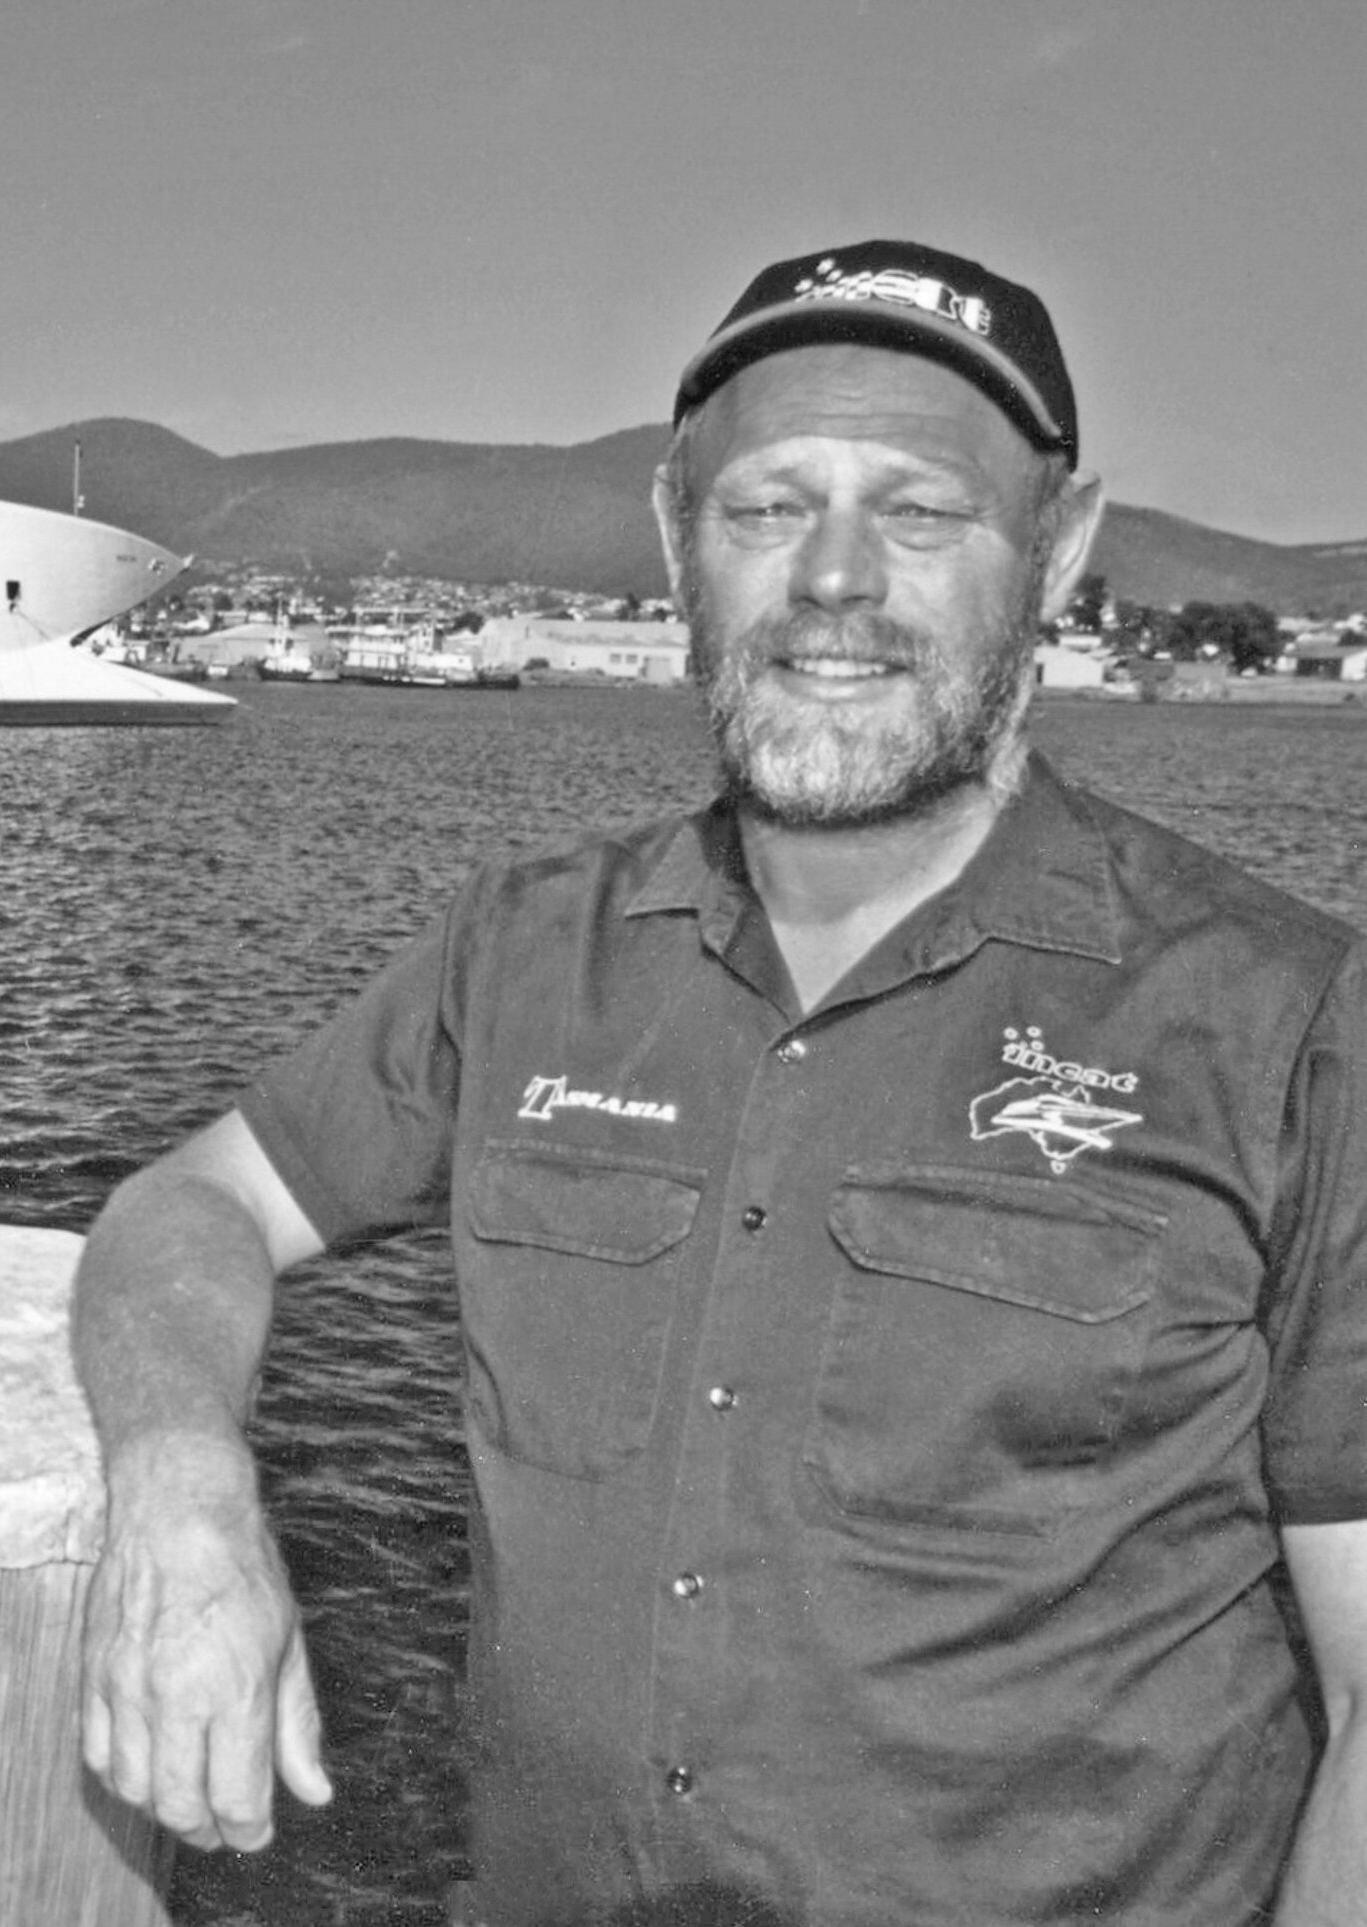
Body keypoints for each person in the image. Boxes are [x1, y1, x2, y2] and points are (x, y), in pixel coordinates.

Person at [70, 239, 1367, 1926]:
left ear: (1060, 551)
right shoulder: (529, 952)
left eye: (920, 511)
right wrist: (181, 1485)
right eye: (767, 509)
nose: (833, 579)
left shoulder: (1283, 1020)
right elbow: (197, 1202)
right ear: (681, 539)